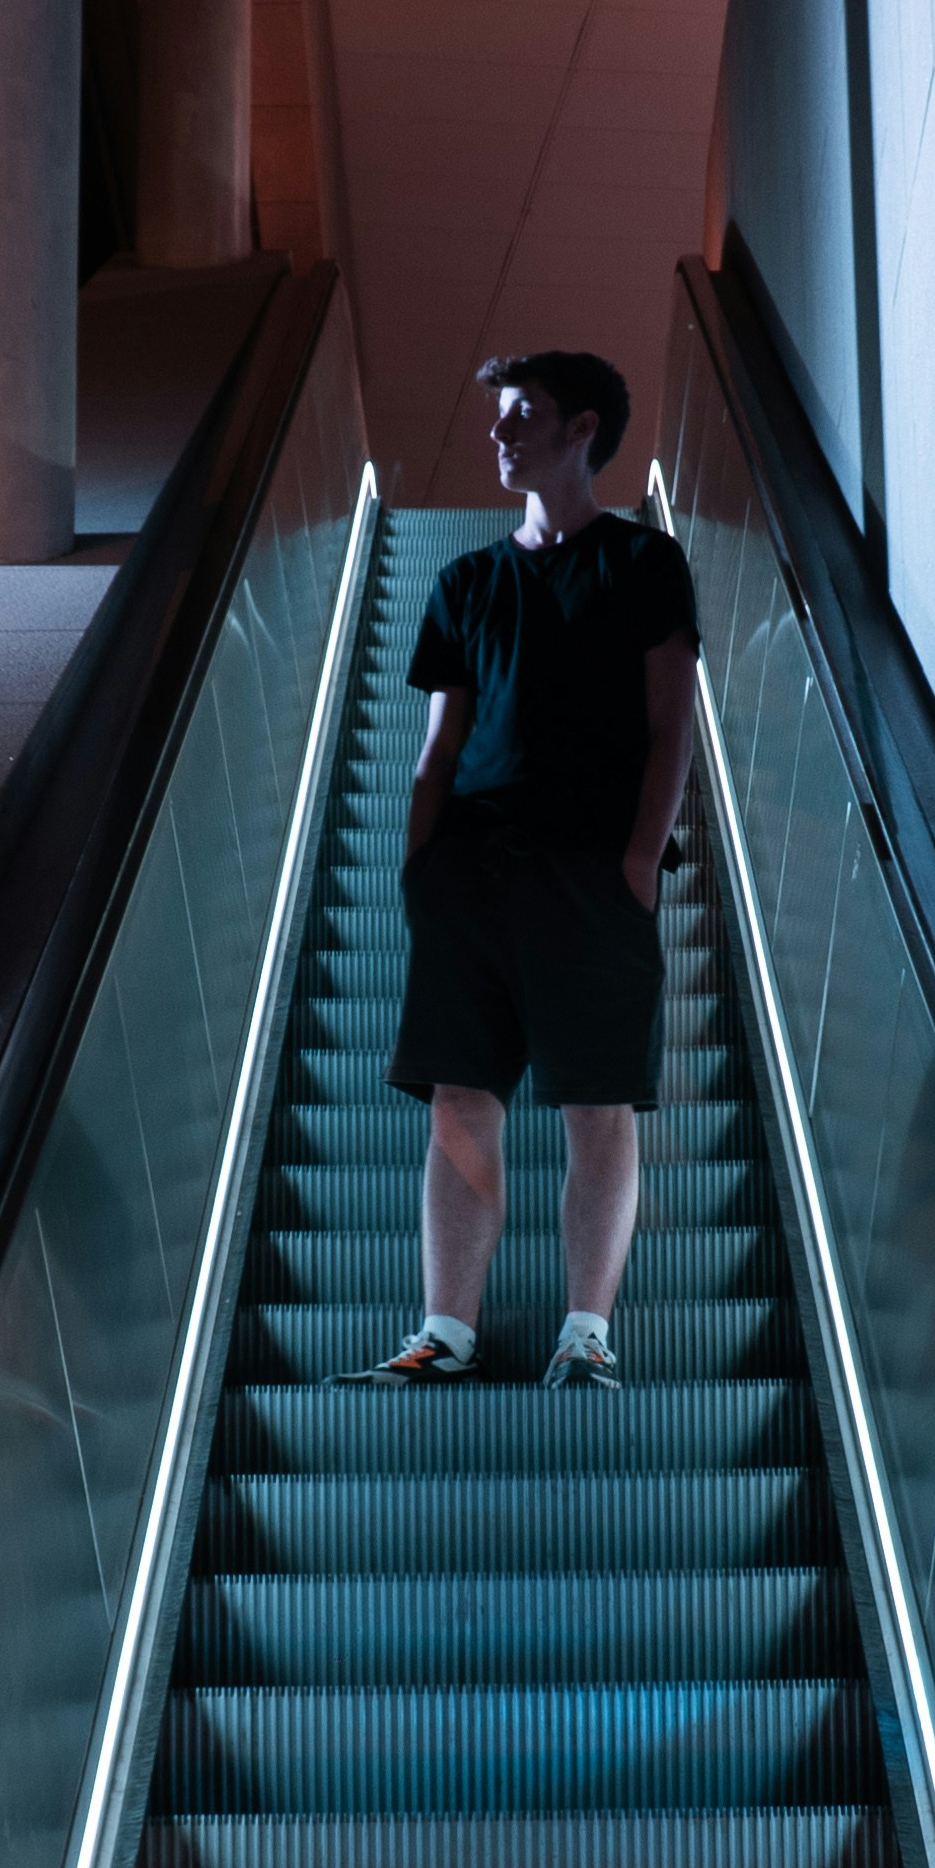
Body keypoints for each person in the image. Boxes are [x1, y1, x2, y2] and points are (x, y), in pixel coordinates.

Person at [360, 346, 701, 1395]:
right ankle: (444, 1333)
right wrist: (420, 869)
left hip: (593, 871)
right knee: (460, 1102)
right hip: (474, 872)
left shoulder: (644, 564)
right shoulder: (465, 580)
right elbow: (439, 749)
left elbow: (670, 725)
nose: (500, 432)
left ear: (582, 428)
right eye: (499, 417)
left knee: (595, 1104)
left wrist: (638, 862)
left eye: (523, 414)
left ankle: (586, 1331)